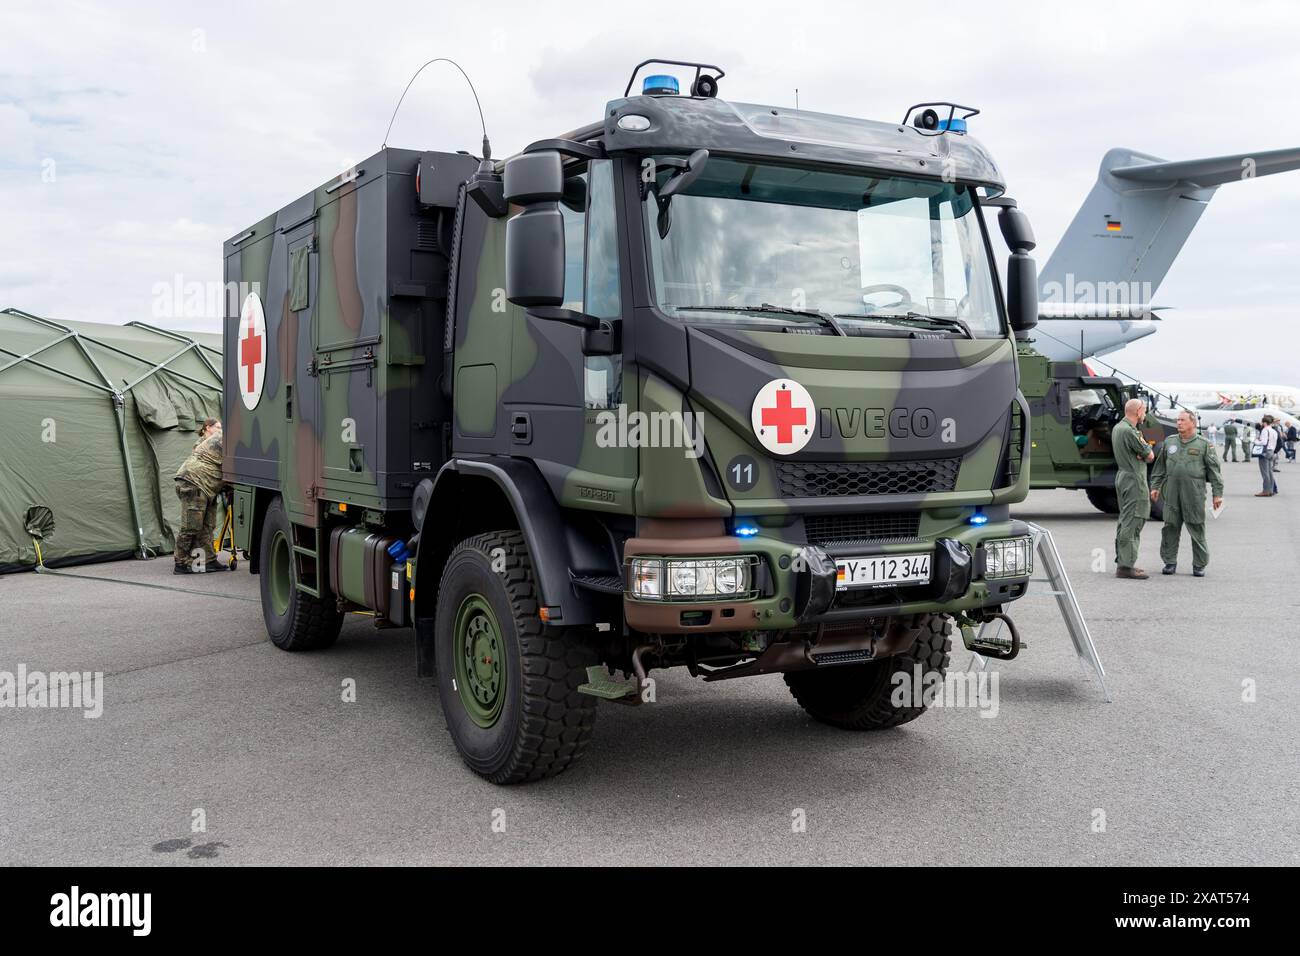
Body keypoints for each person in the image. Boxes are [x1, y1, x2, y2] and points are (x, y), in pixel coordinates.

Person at [1150, 410, 1223, 578]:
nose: (1179, 423)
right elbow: (1159, 468)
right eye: (1178, 420)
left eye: (1182, 420)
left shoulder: (1204, 444)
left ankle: (1199, 564)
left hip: (1194, 493)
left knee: (1196, 527)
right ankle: (1169, 562)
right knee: (1170, 526)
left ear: (1192, 423)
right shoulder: (1169, 442)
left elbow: (1214, 472)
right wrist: (1155, 486)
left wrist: (1217, 494)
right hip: (1172, 492)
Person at [174, 418, 229, 573]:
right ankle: (181, 563)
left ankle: (209, 560)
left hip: (208, 486)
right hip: (195, 483)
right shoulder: (225, 439)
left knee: (207, 526)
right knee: (191, 526)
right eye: (216, 427)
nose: (219, 429)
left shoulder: (227, 437)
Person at [1111, 398, 1154, 579]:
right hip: (1134, 480)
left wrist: (1140, 454)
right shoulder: (1130, 431)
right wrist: (1143, 454)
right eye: (1144, 410)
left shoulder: (1118, 428)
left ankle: (1123, 561)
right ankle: (1126, 565)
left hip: (1123, 476)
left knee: (1125, 519)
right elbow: (1150, 455)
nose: (1145, 414)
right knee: (1134, 520)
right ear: (1138, 411)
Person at [1255, 415, 1278, 497]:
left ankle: (1266, 491)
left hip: (1265, 452)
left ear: (1265, 423)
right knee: (1270, 472)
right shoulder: (1274, 431)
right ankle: (1271, 490)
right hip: (1271, 451)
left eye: (1262, 422)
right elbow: (1275, 442)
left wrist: (1256, 441)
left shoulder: (1265, 430)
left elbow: (1263, 442)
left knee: (1265, 473)